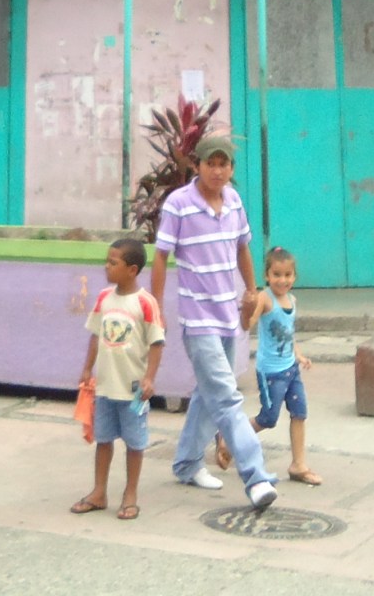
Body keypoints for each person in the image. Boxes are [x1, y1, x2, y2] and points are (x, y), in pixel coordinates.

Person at [150, 132, 277, 510]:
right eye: (211, 164)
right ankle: (256, 477)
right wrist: (155, 307)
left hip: (227, 316)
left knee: (208, 394)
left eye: (224, 165)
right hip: (198, 317)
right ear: (197, 166)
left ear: (231, 169)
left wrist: (251, 291)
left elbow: (242, 247)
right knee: (225, 396)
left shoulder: (234, 201)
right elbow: (160, 257)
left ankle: (187, 463)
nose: (218, 171)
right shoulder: (179, 204)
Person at [70, 236, 165, 521]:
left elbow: (157, 342)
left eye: (113, 263)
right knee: (104, 439)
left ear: (132, 269)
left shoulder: (145, 303)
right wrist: (88, 369)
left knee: (135, 443)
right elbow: (96, 335)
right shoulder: (103, 298)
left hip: (134, 389)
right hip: (106, 386)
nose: (107, 267)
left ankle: (130, 494)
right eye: (107, 261)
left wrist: (149, 378)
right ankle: (99, 492)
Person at [247, 246, 320, 486]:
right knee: (268, 418)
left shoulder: (292, 300)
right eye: (277, 275)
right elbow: (249, 322)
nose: (283, 280)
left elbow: (289, 334)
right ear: (267, 276)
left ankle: (298, 464)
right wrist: (247, 308)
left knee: (300, 413)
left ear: (294, 277)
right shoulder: (264, 298)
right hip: (271, 372)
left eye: (288, 275)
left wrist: (298, 355)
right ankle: (229, 436)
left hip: (291, 369)